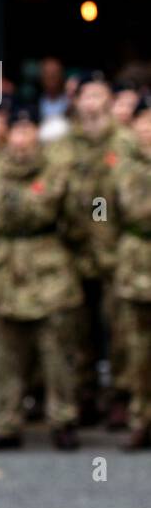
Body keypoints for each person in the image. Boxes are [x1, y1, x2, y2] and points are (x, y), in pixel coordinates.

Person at [0, 103, 82, 450]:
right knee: (6, 353)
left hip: (48, 262)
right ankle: (6, 423)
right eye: (16, 130)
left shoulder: (56, 167)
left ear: (37, 132)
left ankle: (63, 419)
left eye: (28, 130)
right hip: (6, 264)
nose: (21, 137)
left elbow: (71, 217)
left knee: (56, 350)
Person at [51, 78, 126, 428]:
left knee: (121, 329)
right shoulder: (61, 146)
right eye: (86, 96)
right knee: (75, 330)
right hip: (74, 252)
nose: (92, 103)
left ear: (111, 100)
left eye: (99, 95)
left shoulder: (126, 143)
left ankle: (122, 398)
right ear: (76, 101)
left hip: (118, 251)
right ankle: (82, 395)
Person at [111, 96, 151, 450]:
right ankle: (141, 418)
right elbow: (102, 214)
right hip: (134, 259)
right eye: (143, 122)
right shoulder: (121, 166)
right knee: (136, 348)